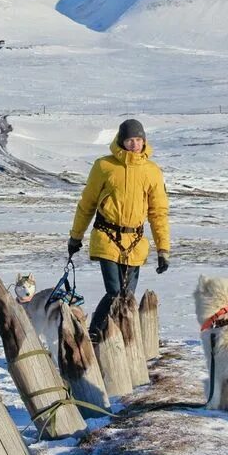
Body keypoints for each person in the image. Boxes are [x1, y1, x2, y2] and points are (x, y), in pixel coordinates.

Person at [67, 119, 170, 336]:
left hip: (135, 242)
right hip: (107, 237)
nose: (135, 144)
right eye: (130, 140)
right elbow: (87, 204)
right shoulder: (104, 166)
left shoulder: (152, 171)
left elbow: (158, 213)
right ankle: (94, 335)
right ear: (121, 141)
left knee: (127, 298)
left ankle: (120, 339)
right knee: (114, 293)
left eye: (139, 140)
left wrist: (163, 250)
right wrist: (76, 237)